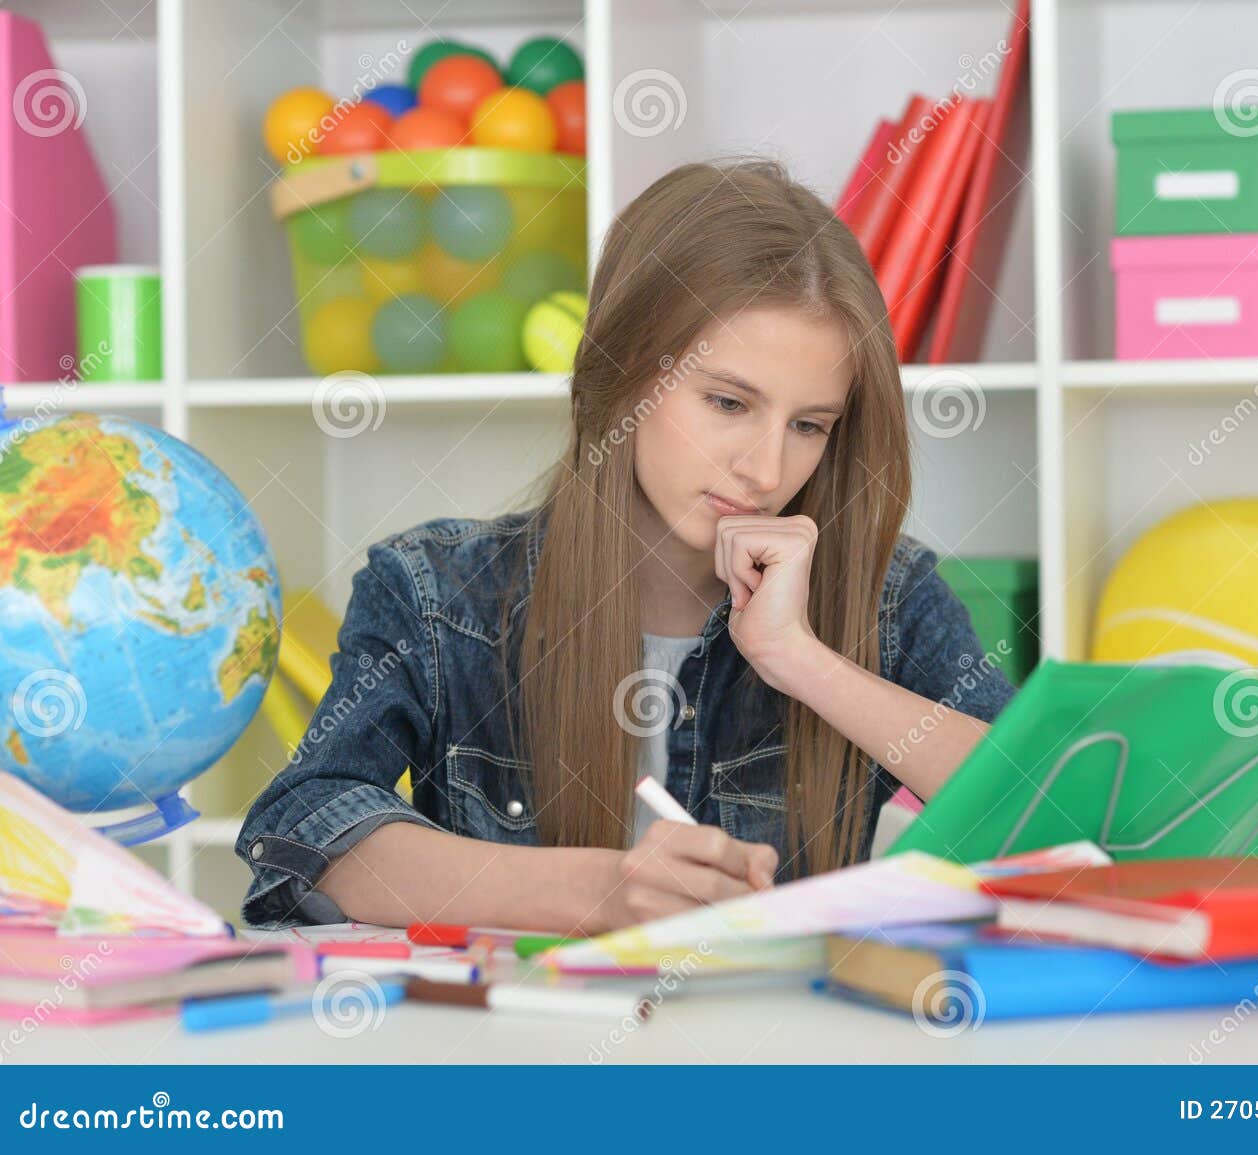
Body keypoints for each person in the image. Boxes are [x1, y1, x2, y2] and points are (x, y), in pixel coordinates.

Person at [237, 157, 1018, 932]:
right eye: (727, 401)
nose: (766, 467)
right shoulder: (438, 592)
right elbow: (307, 829)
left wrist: (799, 657)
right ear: (621, 372)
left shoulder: (888, 594)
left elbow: (1048, 809)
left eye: (809, 424)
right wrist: (596, 891)